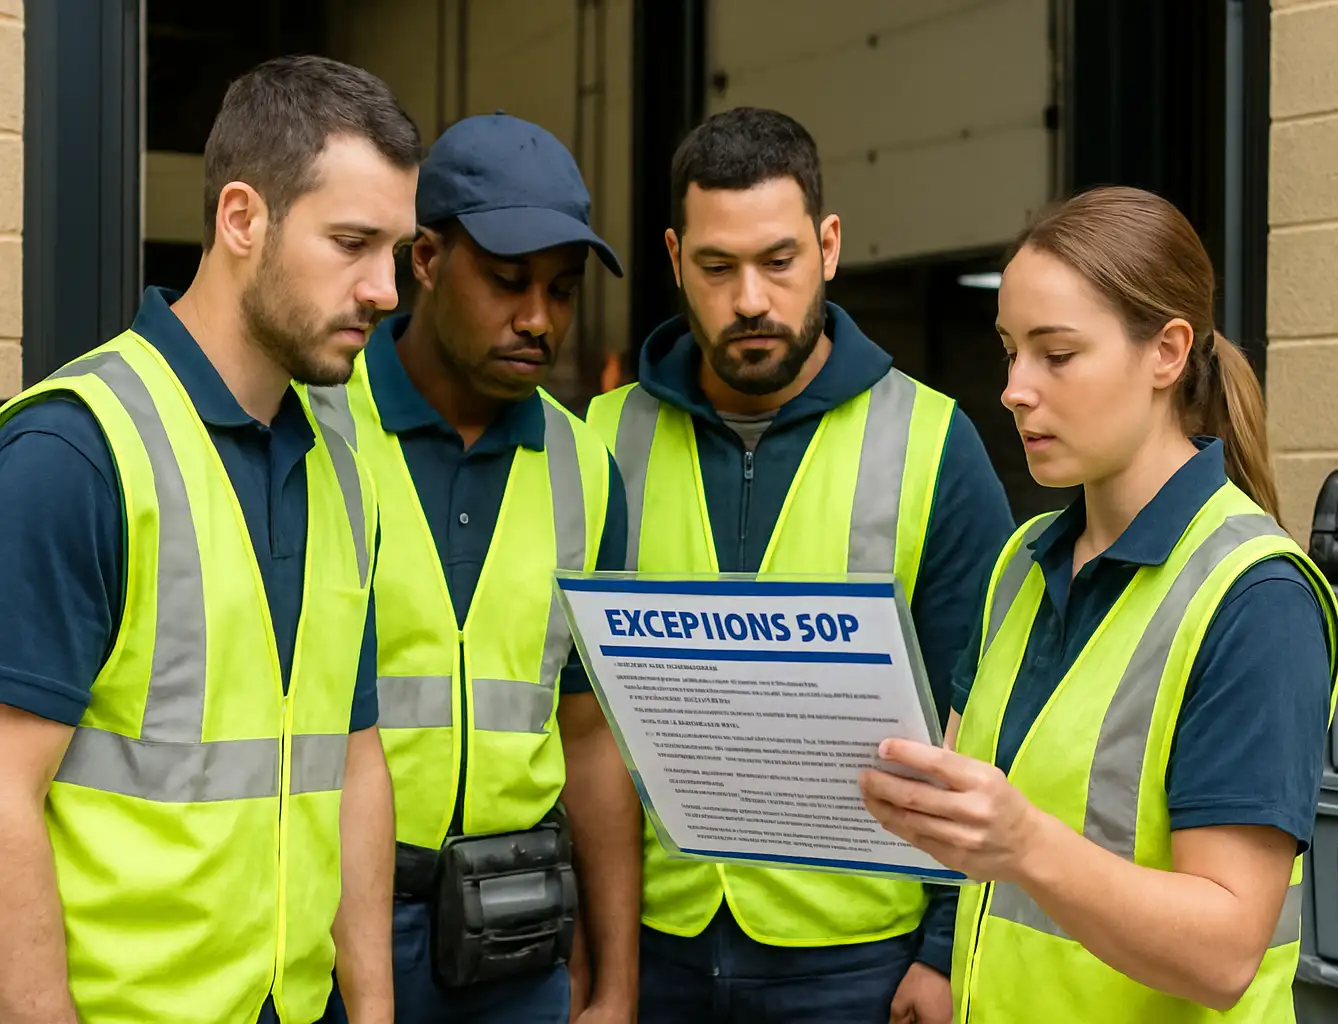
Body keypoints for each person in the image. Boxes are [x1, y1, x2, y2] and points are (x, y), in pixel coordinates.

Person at [858, 185, 1338, 1022]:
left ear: (1166, 353)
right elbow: (974, 807)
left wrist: (1024, 844)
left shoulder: (1257, 598)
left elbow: (1227, 951)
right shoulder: (1022, 560)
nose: (1013, 388)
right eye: (1010, 350)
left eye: (1056, 354)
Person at [0, 55, 419, 1024]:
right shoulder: (75, 452)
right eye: (353, 242)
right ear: (242, 218)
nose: (388, 288)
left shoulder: (341, 461)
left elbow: (354, 761)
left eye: (395, 248)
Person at [585, 106, 1016, 1024]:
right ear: (673, 258)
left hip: (858, 960)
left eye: (778, 262)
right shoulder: (600, 441)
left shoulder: (934, 442)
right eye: (716, 266)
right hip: (650, 948)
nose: (749, 299)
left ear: (826, 246)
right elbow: (571, 720)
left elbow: (982, 715)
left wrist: (943, 951)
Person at [310, 113, 641, 1024]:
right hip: (333, 918)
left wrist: (616, 983)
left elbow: (589, 738)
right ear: (423, 259)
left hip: (521, 932)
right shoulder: (313, 433)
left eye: (562, 290)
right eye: (507, 282)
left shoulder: (584, 471)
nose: (539, 319)